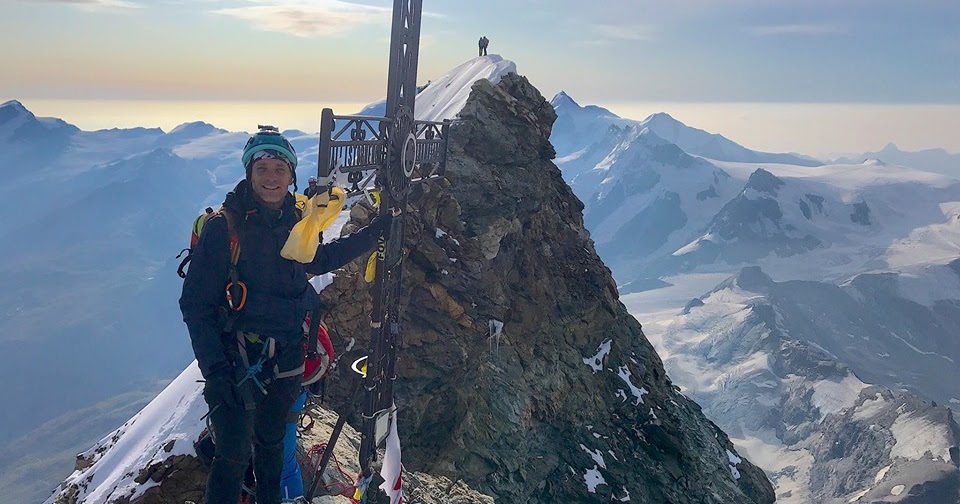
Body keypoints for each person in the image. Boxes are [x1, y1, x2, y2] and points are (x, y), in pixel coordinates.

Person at [180, 125, 390, 504]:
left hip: (287, 360)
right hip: (234, 360)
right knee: (231, 456)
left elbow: (318, 259)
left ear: (291, 175)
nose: (271, 177)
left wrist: (373, 233)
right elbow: (195, 306)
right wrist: (216, 373)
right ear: (249, 173)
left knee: (272, 449)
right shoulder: (223, 228)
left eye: (280, 169)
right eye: (262, 168)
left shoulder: (300, 219)